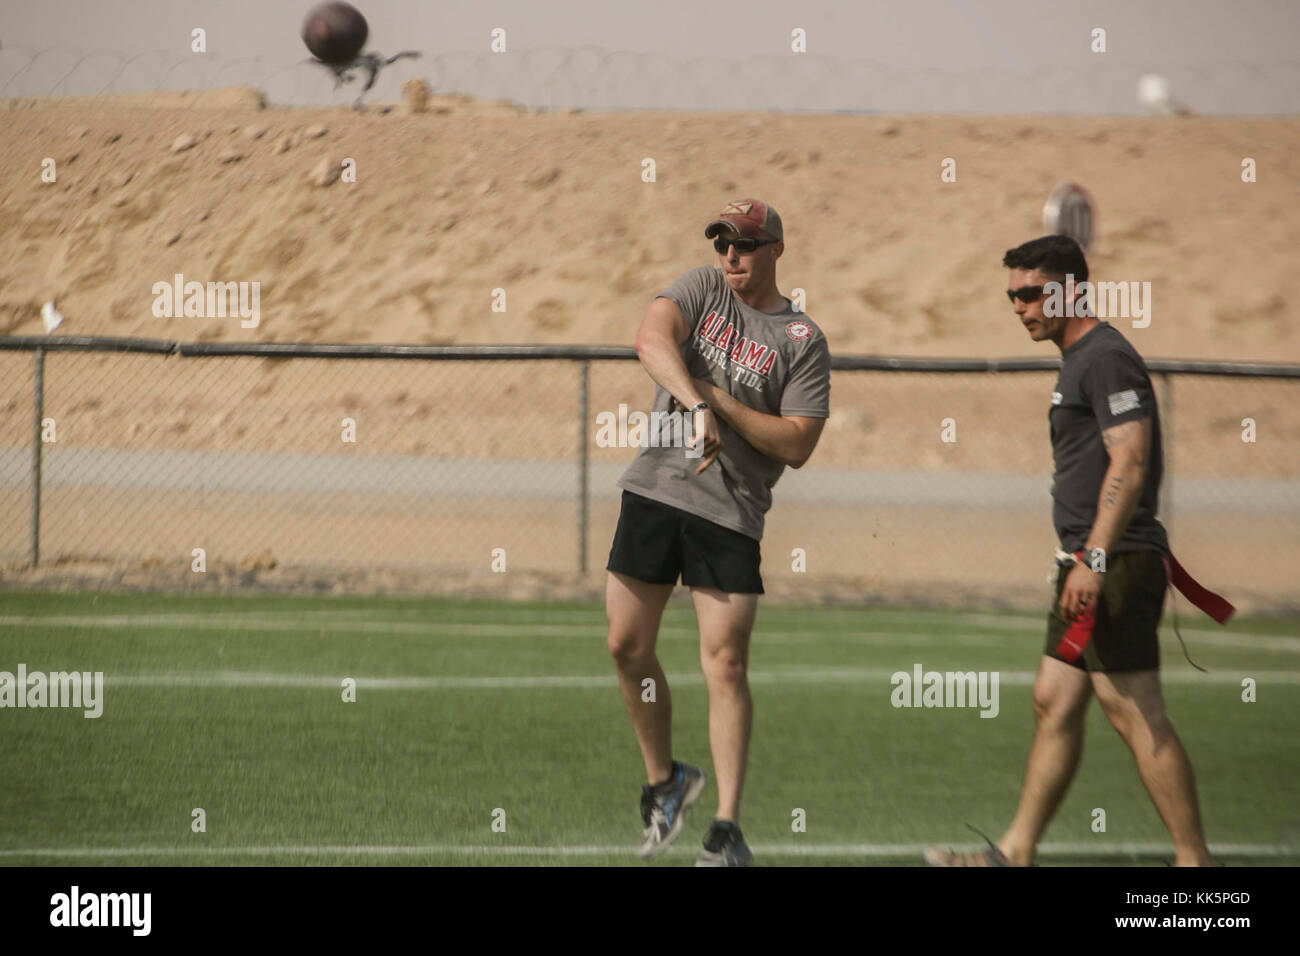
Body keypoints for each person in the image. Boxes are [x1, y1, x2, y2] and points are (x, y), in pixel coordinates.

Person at [926, 234, 1222, 867]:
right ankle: (1016, 852)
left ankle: (1196, 867)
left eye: (1031, 293)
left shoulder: (1106, 358)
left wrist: (1094, 559)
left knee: (1135, 711)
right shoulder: (1078, 360)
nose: (1020, 307)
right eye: (1012, 296)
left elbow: (1131, 459)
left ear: (1070, 290)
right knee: (1054, 699)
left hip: (1116, 562)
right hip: (1085, 562)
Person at [604, 199, 831, 866]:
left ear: (776, 251)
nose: (731, 256)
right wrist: (696, 401)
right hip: (655, 491)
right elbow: (650, 340)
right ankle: (666, 780)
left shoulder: (802, 340)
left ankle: (727, 830)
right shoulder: (701, 289)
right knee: (624, 645)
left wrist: (724, 408)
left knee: (726, 665)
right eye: (722, 243)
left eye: (746, 245)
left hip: (730, 514)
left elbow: (798, 443)